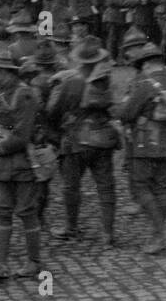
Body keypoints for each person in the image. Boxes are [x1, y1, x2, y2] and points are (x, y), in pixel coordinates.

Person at [0, 44, 44, 280]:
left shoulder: (24, 94)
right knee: (2, 211)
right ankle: (1, 264)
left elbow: (22, 136)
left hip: (23, 162)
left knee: (26, 211)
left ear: (4, 71)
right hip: (3, 163)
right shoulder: (0, 93)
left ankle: (34, 262)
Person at [47, 37, 119, 246]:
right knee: (106, 186)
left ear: (79, 60)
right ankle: (108, 232)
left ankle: (71, 227)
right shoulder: (105, 81)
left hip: (75, 140)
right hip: (103, 139)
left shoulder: (71, 82)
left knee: (71, 186)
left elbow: (53, 111)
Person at [119, 41, 166, 255]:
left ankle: (161, 231)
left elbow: (127, 113)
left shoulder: (145, 84)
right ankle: (158, 236)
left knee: (140, 186)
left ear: (147, 64)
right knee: (161, 187)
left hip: (145, 141)